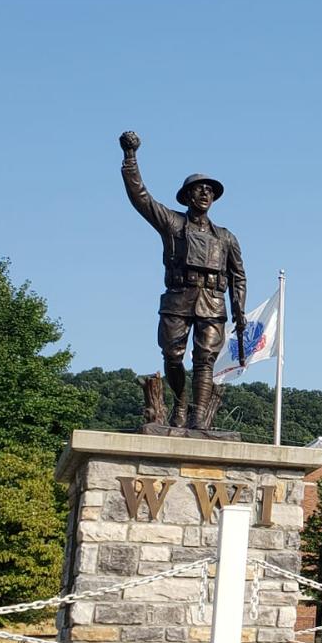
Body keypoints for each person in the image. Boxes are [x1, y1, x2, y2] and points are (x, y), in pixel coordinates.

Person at [118, 130, 247, 429]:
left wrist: (239, 308)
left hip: (213, 302)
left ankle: (199, 416)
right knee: (173, 355)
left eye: (209, 191)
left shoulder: (226, 237)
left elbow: (238, 275)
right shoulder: (173, 224)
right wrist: (130, 156)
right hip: (178, 297)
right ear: (187, 195)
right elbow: (141, 197)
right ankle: (179, 402)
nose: (205, 194)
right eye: (199, 189)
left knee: (205, 359)